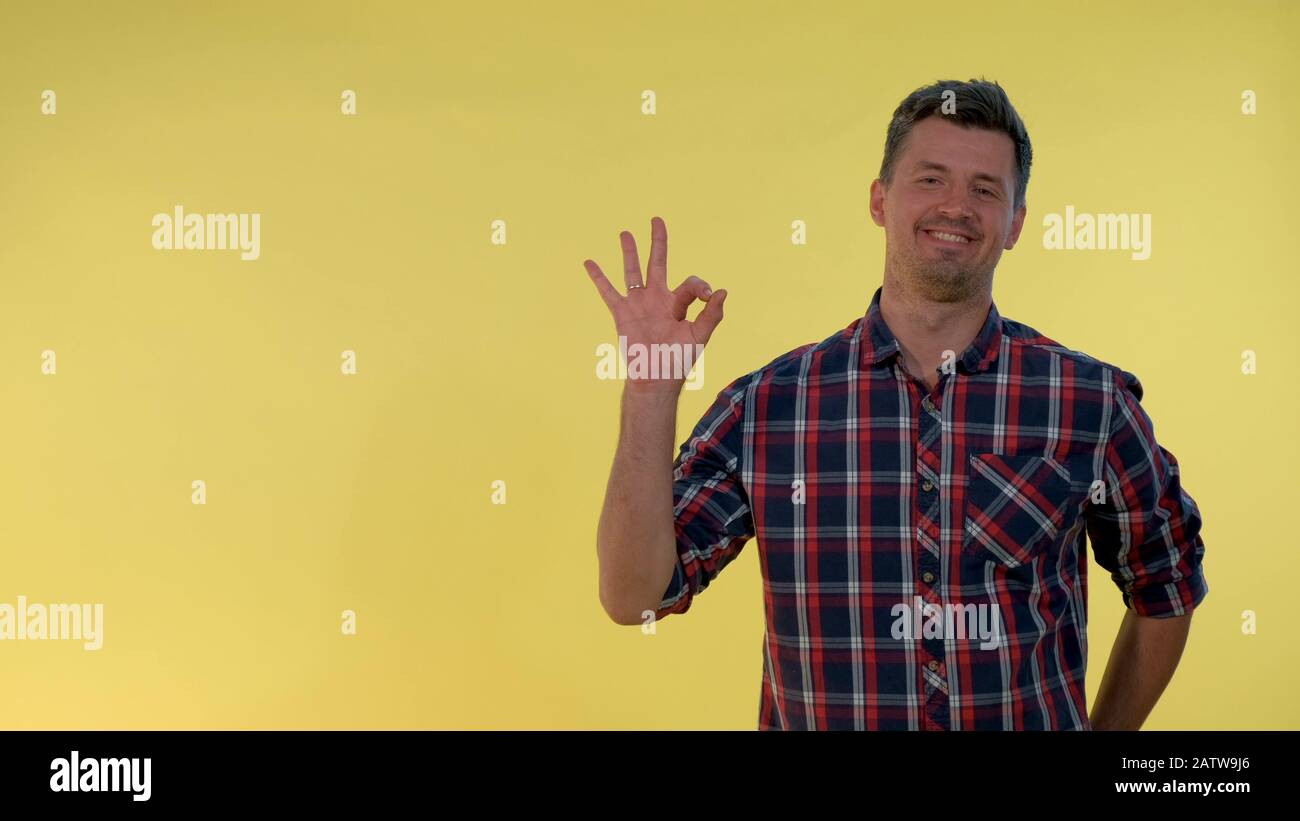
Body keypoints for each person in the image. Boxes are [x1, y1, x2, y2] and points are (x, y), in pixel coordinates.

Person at [583, 78, 1207, 731]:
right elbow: (634, 597)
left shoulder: (1090, 404)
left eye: (985, 189)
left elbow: (1166, 583)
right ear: (880, 199)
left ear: (1016, 222)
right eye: (931, 179)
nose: (957, 206)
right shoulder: (767, 407)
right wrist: (652, 391)